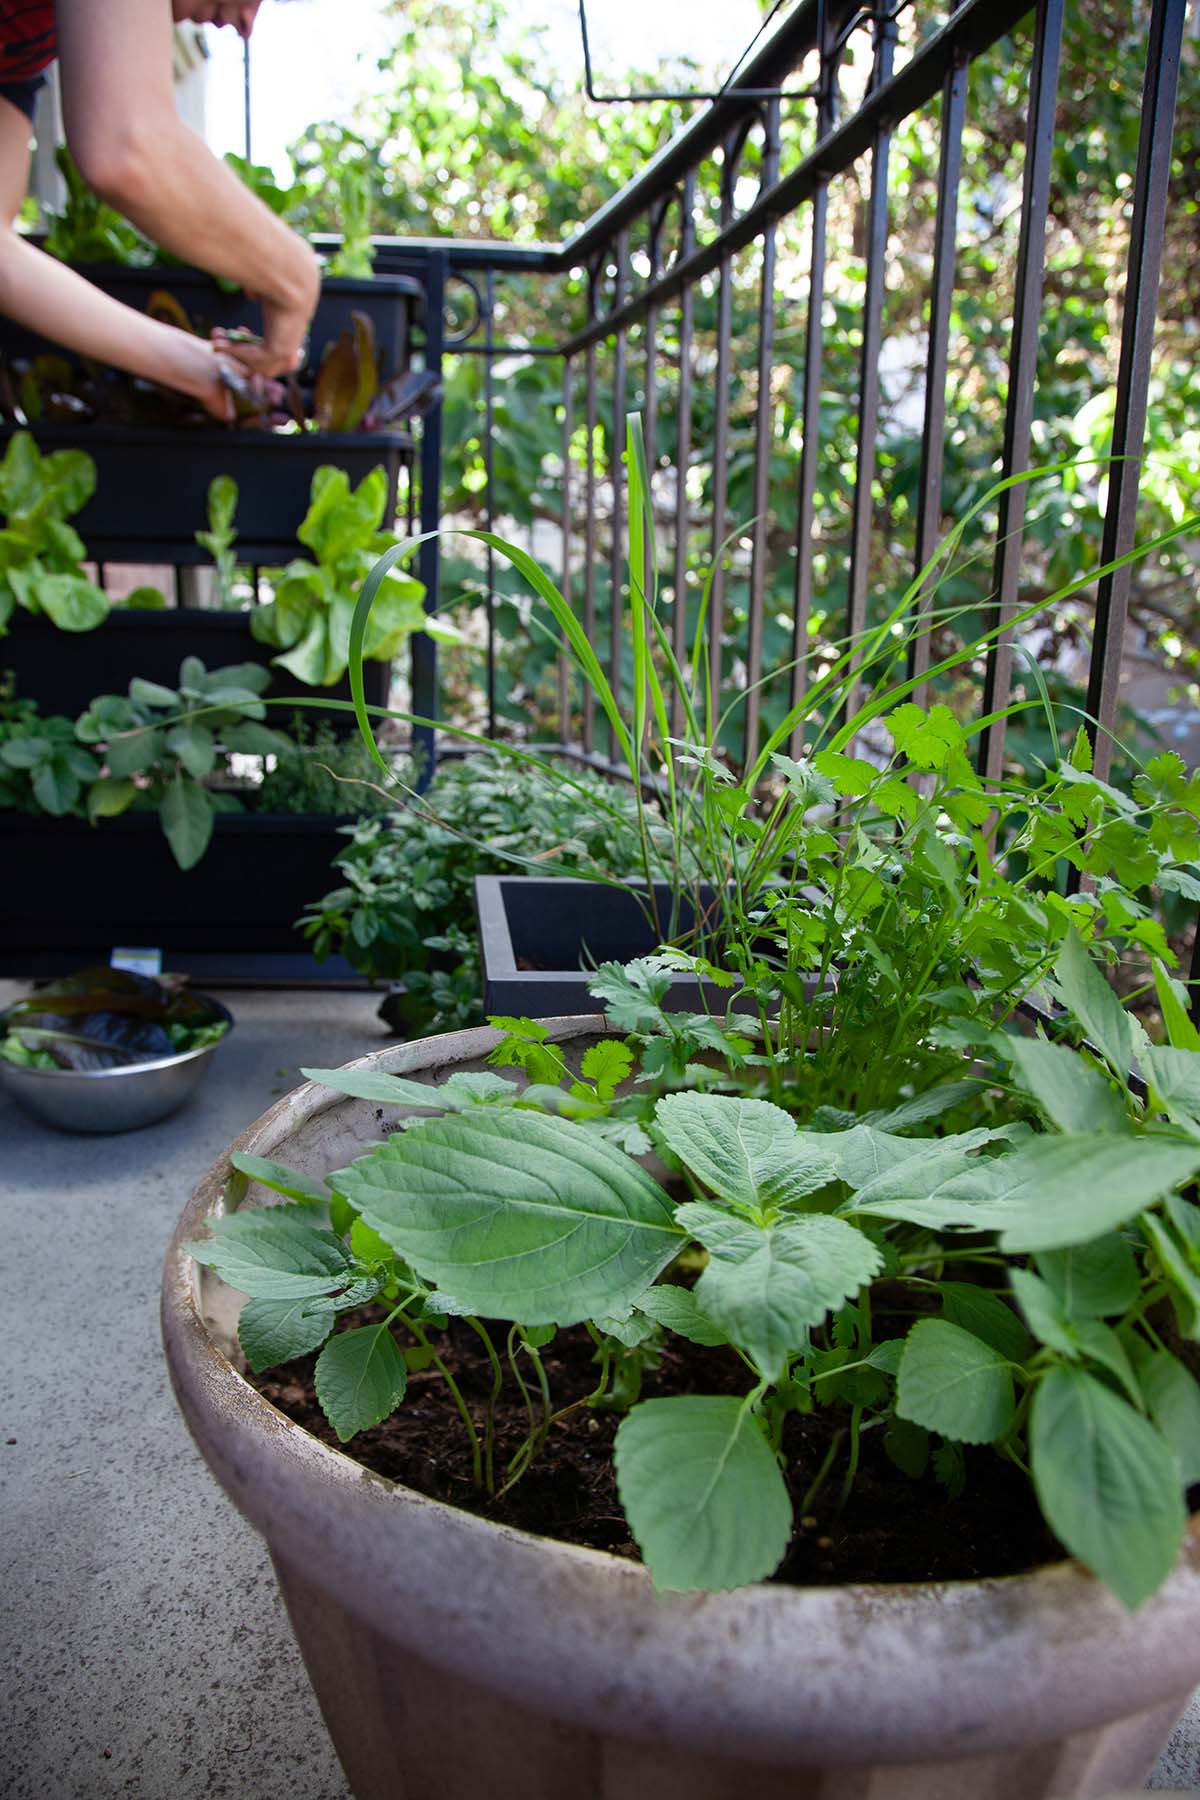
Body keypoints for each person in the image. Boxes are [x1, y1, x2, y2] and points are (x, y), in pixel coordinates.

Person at [0, 0, 320, 418]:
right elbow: (127, 145)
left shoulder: (25, 41)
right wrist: (295, 275)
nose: (245, 24)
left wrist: (193, 366)